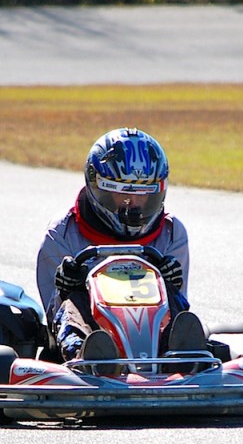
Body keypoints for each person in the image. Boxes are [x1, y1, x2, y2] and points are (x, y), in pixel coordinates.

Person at [35, 127, 206, 363]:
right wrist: (66, 288)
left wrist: (170, 283)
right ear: (99, 188)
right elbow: (53, 315)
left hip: (153, 328)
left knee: (172, 297)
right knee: (73, 300)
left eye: (142, 195)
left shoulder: (171, 232)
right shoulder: (63, 232)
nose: (133, 205)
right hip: (93, 330)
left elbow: (181, 297)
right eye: (123, 195)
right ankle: (85, 355)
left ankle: (183, 354)